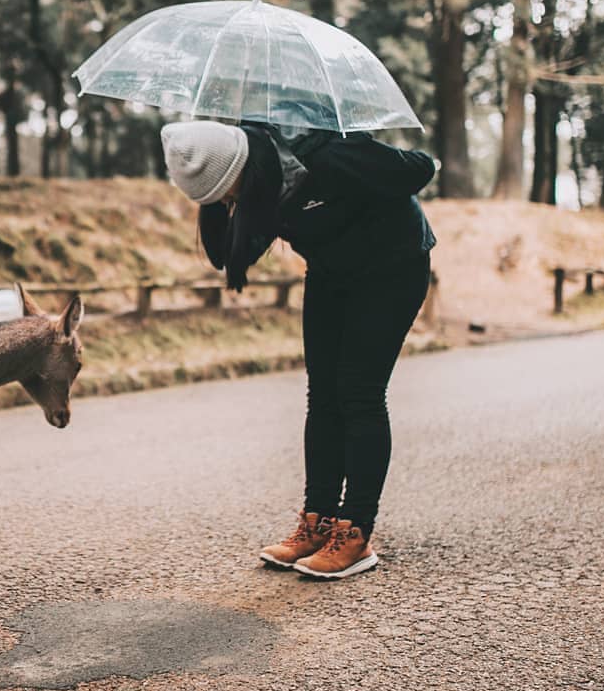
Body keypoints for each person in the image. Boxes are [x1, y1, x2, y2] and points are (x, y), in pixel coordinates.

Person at [161, 119, 436, 579]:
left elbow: (420, 167)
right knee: (322, 395)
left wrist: (356, 170)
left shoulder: (326, 155)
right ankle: (318, 520)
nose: (227, 205)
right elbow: (235, 250)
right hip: (331, 270)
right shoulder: (260, 186)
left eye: (228, 194)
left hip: (392, 265)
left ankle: (355, 532)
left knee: (359, 393)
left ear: (243, 170)